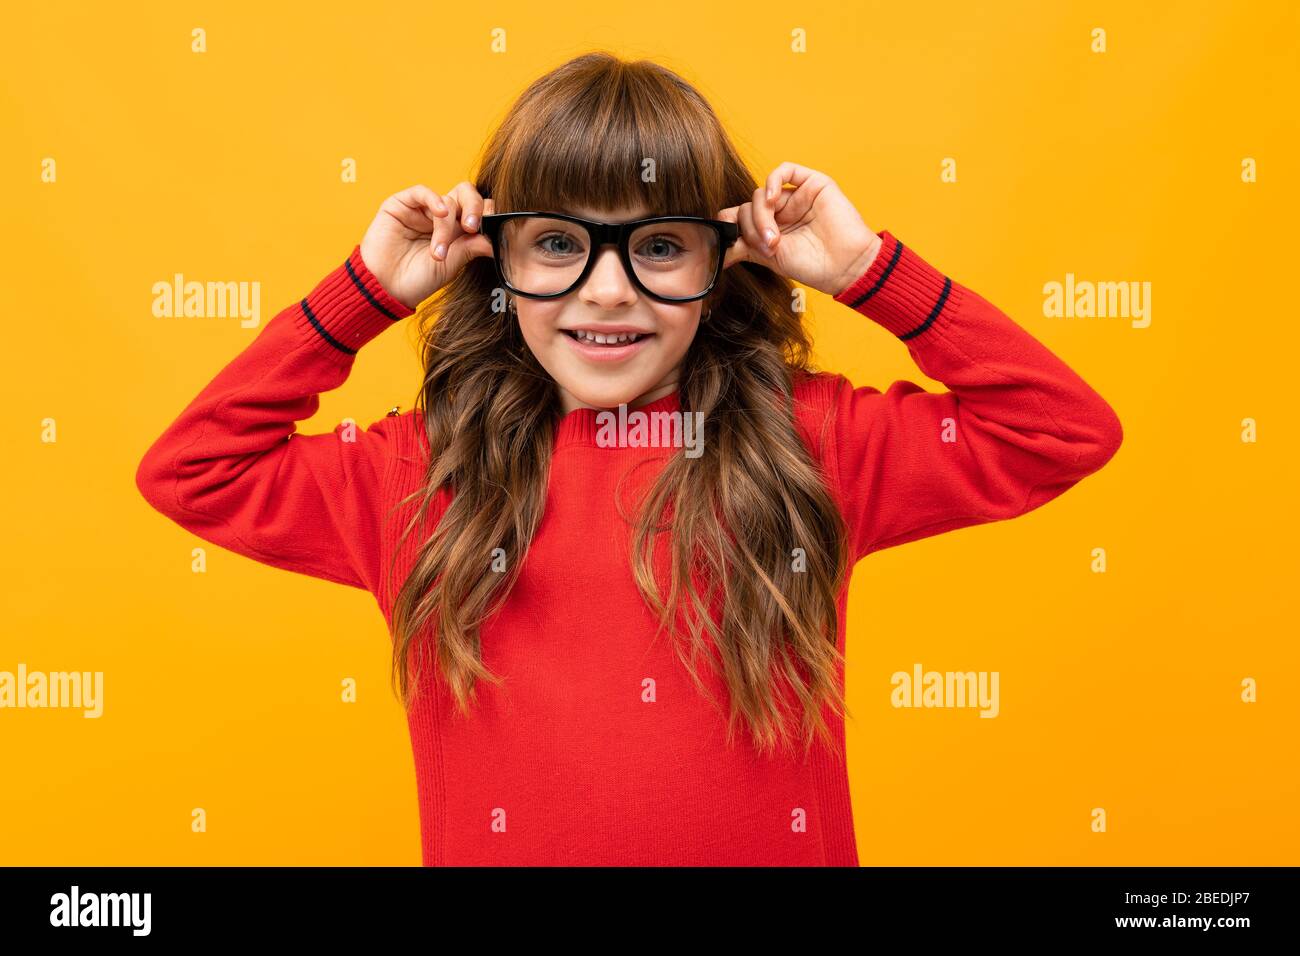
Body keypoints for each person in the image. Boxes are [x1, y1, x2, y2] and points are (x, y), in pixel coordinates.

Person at [135, 51, 1123, 866]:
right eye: (557, 244)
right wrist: (366, 290)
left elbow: (1061, 431)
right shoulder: (417, 472)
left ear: (723, 257)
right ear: (496, 257)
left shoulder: (808, 444)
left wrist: (870, 272)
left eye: (657, 247)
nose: (606, 292)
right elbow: (191, 470)